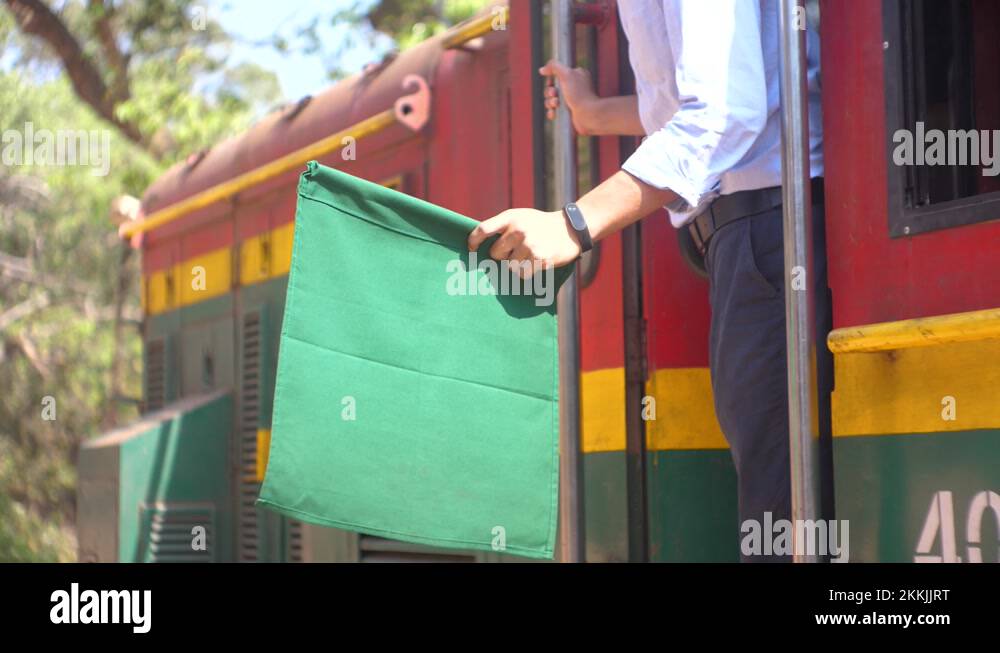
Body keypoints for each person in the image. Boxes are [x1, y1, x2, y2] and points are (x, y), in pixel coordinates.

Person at [467, 0, 832, 562]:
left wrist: (574, 223)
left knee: (777, 505)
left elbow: (724, 114)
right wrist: (593, 113)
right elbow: (714, 97)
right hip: (753, 234)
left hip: (770, 226)